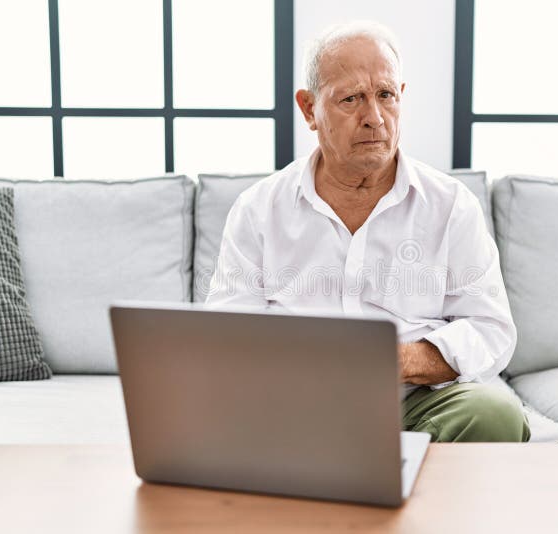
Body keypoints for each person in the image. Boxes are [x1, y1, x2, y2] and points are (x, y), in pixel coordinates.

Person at [207, 21, 529, 443]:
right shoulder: (258, 209)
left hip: (413, 405)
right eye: (352, 98)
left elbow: (491, 330)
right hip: (292, 404)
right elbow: (226, 337)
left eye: (385, 95)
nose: (374, 118)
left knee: (496, 413)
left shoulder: (451, 206)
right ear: (309, 110)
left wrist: (399, 360)